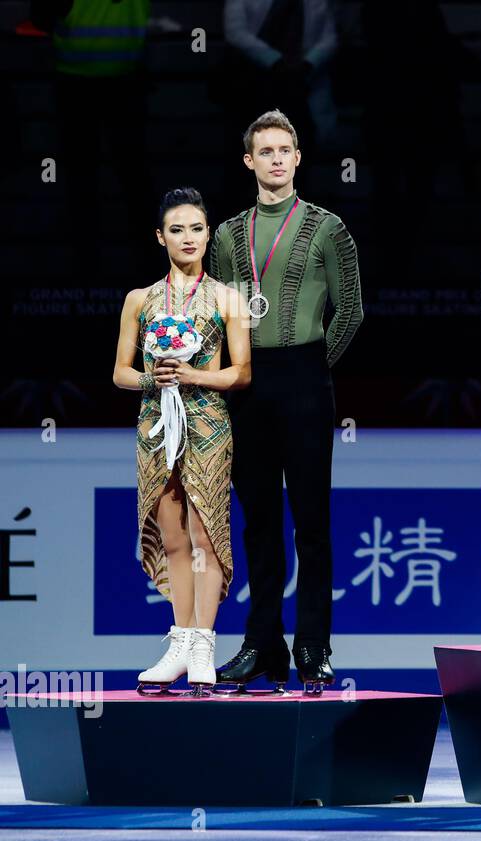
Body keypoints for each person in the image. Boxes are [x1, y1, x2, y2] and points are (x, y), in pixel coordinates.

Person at [207, 109, 364, 694]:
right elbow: (219, 312)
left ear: (298, 158)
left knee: (311, 524)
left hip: (304, 377)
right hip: (248, 383)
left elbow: (351, 310)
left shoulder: (328, 227)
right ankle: (261, 644)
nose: (276, 158)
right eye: (264, 151)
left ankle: (314, 649)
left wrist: (314, 369)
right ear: (249, 161)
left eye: (285, 150)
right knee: (258, 525)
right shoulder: (225, 234)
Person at [114, 187, 252, 694]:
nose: (188, 237)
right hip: (155, 425)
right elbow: (120, 373)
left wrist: (193, 376)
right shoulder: (140, 300)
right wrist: (157, 380)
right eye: (177, 229)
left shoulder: (227, 298)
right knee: (171, 534)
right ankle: (178, 642)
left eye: (196, 228)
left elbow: (240, 373)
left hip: (209, 424)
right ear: (160, 236)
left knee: (205, 536)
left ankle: (203, 644)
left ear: (208, 232)